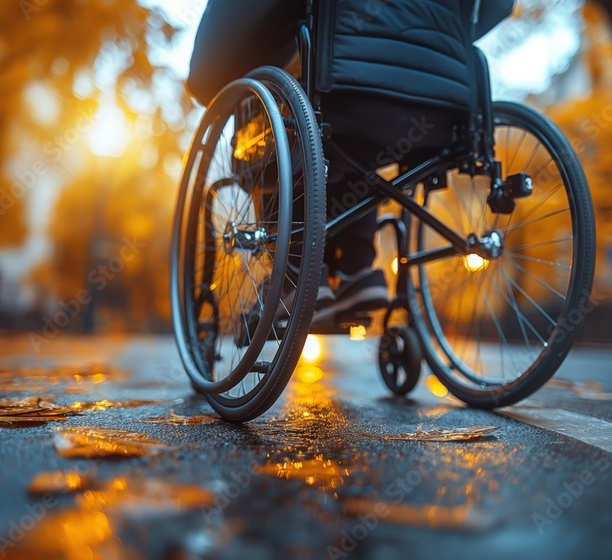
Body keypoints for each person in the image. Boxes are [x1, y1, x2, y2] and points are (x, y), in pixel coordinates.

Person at [188, 0, 514, 323]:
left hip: (344, 82)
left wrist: (205, 78)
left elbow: (231, 20)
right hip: (440, 104)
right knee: (355, 152)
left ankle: (296, 272)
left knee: (278, 113)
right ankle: (357, 271)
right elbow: (498, 6)